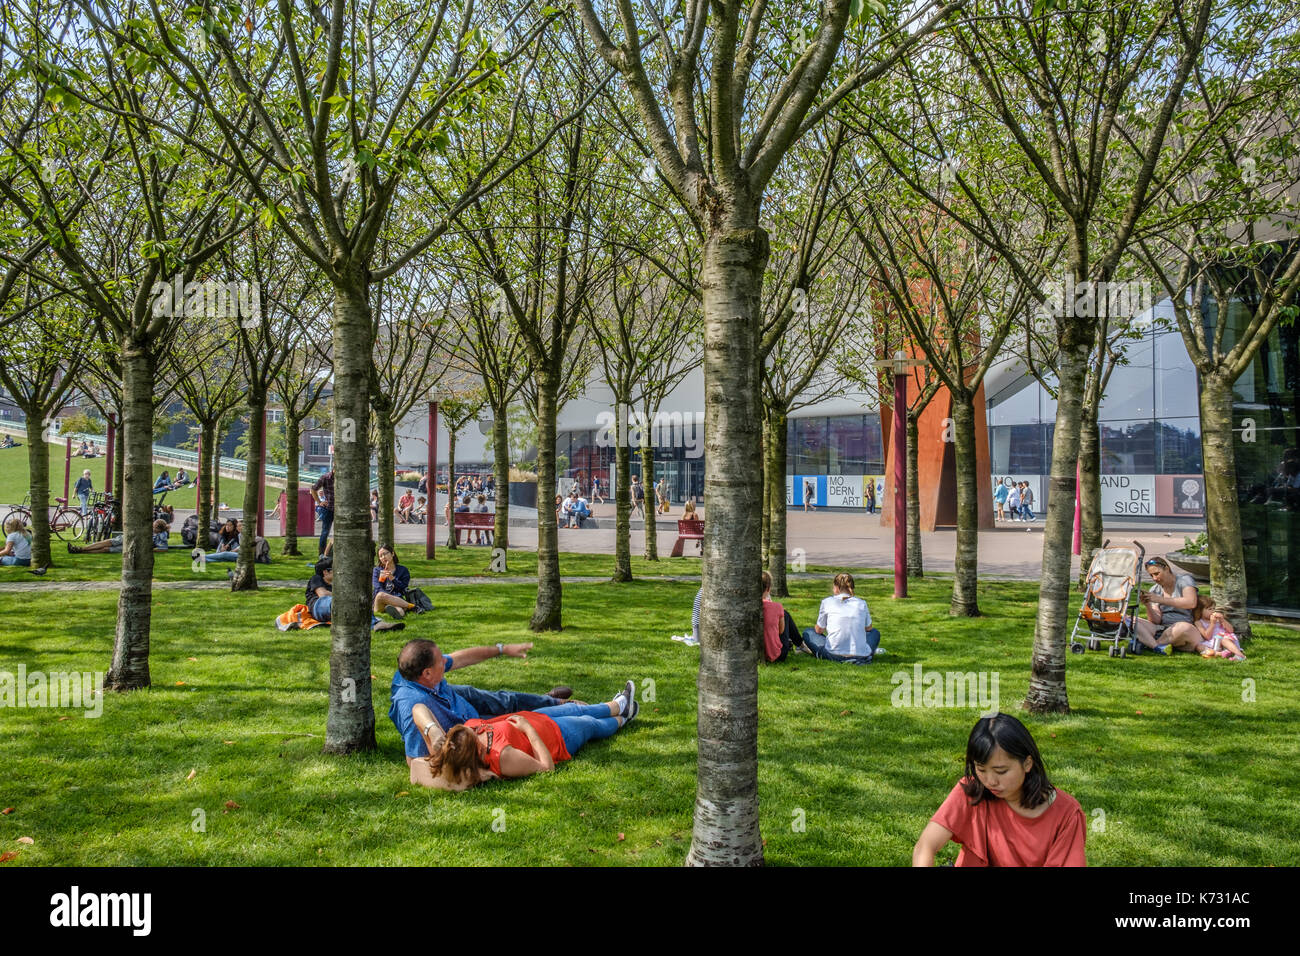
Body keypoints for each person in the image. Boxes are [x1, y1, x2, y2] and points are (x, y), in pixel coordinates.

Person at [913, 714, 1086, 867]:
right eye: (981, 769)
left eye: (1001, 771)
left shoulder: (1067, 814)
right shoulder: (972, 791)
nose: (990, 781)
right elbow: (926, 846)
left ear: (1027, 763)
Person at [387, 638, 578, 776]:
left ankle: (553, 702)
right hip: (468, 726)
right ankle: (562, 711)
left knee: (502, 700)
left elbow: (460, 658)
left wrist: (501, 649)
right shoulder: (411, 705)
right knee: (516, 720)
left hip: (455, 699)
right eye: (441, 661)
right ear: (427, 673)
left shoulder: (420, 670)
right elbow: (415, 761)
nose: (445, 661)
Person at [411, 685, 639, 791]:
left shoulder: (455, 744)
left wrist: (434, 731)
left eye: (471, 728)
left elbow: (418, 708)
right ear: (476, 752)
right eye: (475, 735)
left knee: (579, 709)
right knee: (589, 724)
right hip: (557, 737)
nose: (476, 728)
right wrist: (528, 729)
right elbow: (546, 768)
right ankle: (623, 718)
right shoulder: (503, 757)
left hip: (536, 718)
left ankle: (618, 703)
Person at [796, 572, 879, 663]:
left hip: (833, 655)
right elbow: (869, 628)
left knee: (808, 632)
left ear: (836, 587)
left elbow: (819, 630)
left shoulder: (827, 602)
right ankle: (860, 651)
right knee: (875, 633)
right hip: (861, 655)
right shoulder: (862, 603)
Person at [1132, 556, 1201, 655]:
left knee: (1182, 627)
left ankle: (1148, 643)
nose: (1154, 578)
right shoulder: (1155, 589)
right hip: (1162, 629)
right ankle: (1156, 647)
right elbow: (1155, 621)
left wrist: (1160, 599)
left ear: (1167, 569)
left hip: (1185, 630)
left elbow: (1191, 602)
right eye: (1151, 575)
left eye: (1156, 574)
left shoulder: (1184, 580)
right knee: (1131, 620)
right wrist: (1148, 606)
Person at [70, 518, 170, 554]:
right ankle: (81, 549)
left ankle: (81, 551)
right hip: (131, 537)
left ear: (158, 528)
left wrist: (149, 550)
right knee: (108, 542)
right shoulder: (151, 529)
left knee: (106, 549)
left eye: (154, 527)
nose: (152, 527)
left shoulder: (161, 536)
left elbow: (164, 549)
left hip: (135, 545)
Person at [1193, 596, 1246, 661]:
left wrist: (1223, 620)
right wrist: (1212, 624)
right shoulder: (1198, 622)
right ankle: (1220, 653)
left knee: (1224, 640)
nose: (1212, 611)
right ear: (1200, 610)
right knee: (1199, 647)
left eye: (1213, 608)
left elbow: (1231, 630)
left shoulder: (1218, 619)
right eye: (1209, 609)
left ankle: (1240, 655)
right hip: (1212, 641)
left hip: (1225, 640)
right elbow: (1207, 637)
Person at [373, 544, 417, 619]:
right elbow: (378, 589)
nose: (383, 557)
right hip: (379, 602)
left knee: (400, 611)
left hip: (396, 601)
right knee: (381, 595)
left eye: (385, 554)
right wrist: (381, 579)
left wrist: (393, 579)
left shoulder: (403, 570)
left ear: (392, 553)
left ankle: (398, 615)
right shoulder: (377, 570)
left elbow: (404, 589)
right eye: (380, 556)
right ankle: (412, 606)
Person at [761, 570, 794, 663]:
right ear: (768, 588)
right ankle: (800, 644)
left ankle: (800, 643)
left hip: (758, 653)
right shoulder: (777, 606)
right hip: (778, 655)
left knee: (784, 614)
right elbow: (781, 631)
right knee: (785, 614)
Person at [311, 468, 335, 557]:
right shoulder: (325, 477)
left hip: (340, 510)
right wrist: (319, 502)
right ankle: (321, 554)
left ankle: (332, 554)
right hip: (328, 509)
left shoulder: (344, 478)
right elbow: (313, 489)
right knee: (325, 532)